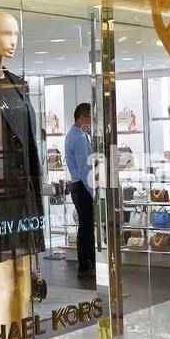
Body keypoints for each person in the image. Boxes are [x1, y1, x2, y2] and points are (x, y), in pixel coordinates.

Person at [64, 101, 95, 278]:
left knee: (87, 226)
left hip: (81, 186)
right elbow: (84, 170)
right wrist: (93, 191)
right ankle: (84, 265)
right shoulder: (78, 137)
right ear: (82, 117)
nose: (92, 122)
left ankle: (88, 262)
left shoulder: (77, 135)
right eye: (90, 118)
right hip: (82, 187)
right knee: (86, 228)